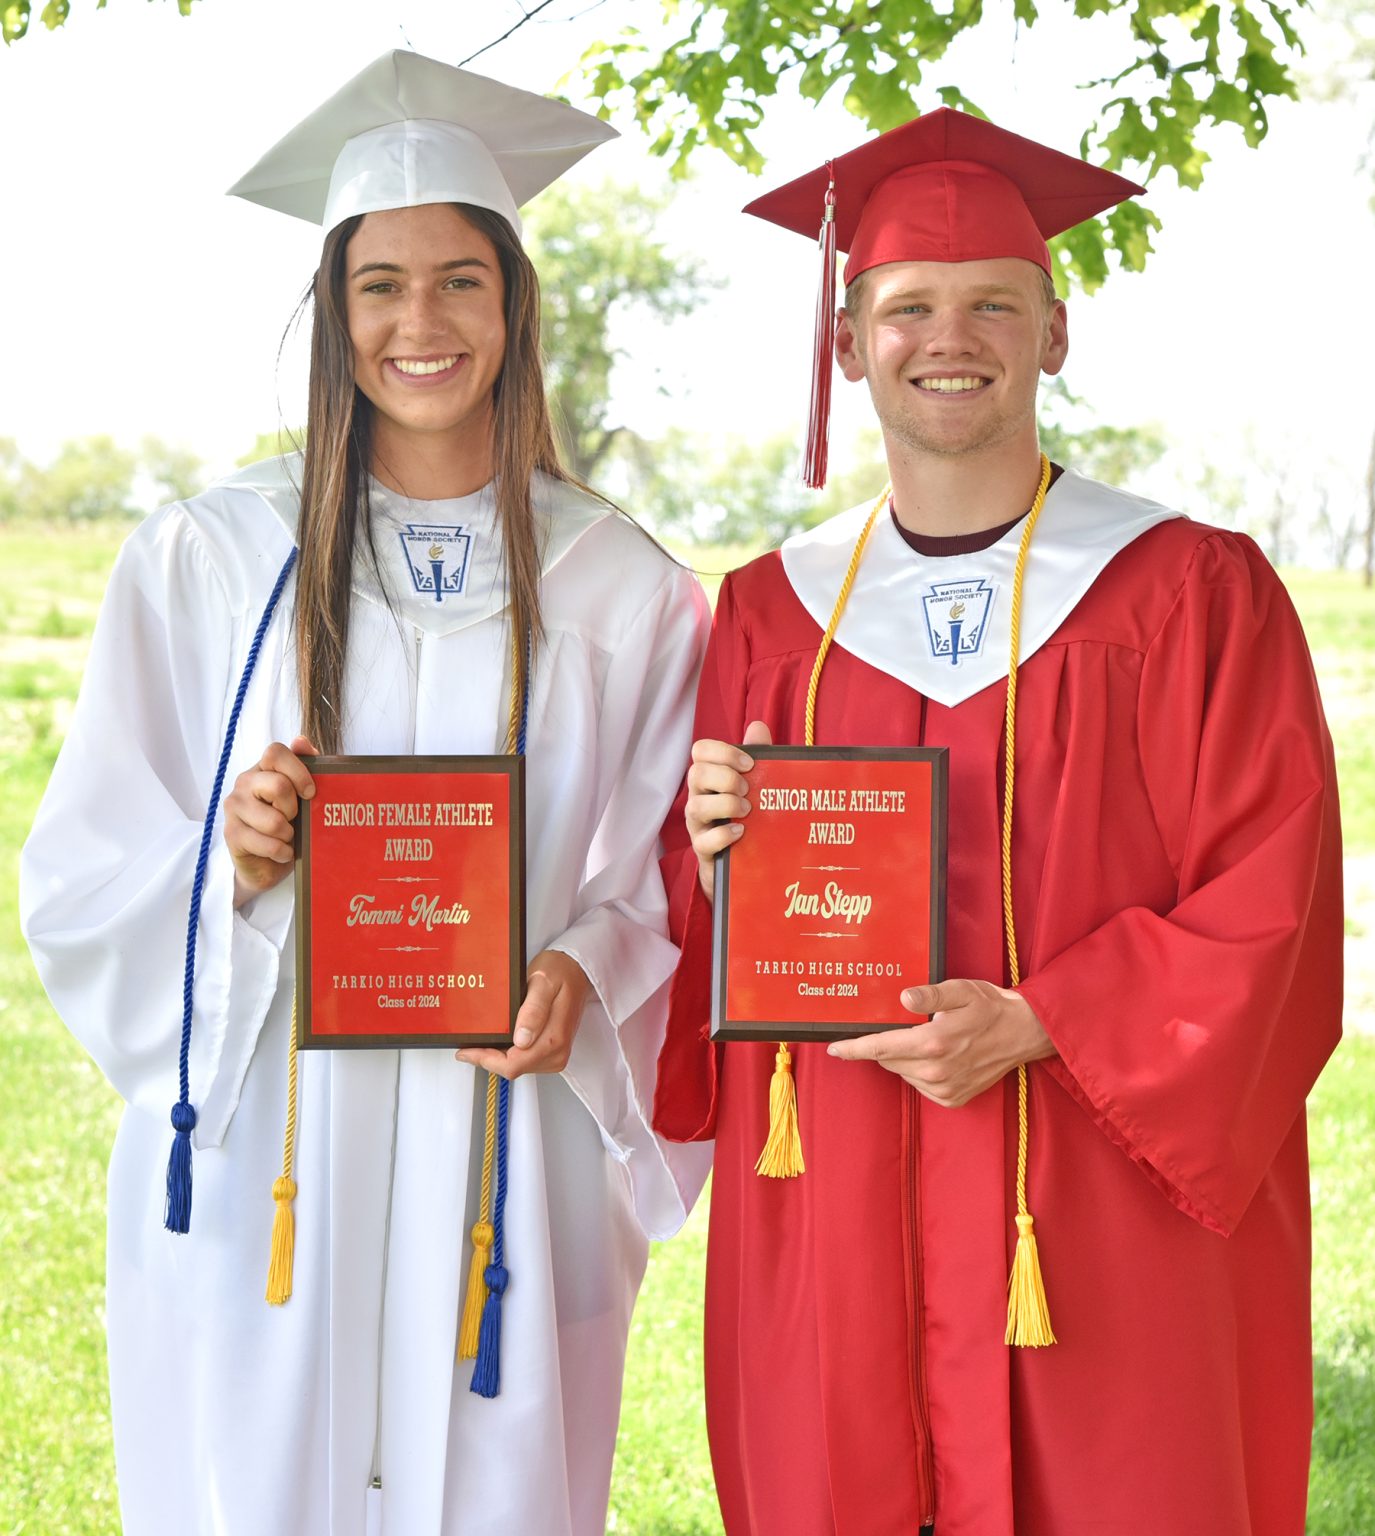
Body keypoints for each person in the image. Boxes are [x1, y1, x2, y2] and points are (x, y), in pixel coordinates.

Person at [20, 50, 711, 1536]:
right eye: (380, 284)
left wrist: (584, 971)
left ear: (515, 305)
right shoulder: (212, 554)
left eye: (462, 280)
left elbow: (659, 877)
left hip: (505, 1140)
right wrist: (232, 858)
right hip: (280, 1143)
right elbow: (87, 868)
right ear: (334, 312)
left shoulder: (621, 584)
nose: (422, 322)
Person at [656, 108, 1342, 1536]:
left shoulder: (1190, 592)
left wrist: (1043, 1021)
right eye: (907, 306)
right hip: (848, 1186)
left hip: (1096, 1200)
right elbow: (706, 944)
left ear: (1056, 335)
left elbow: (1274, 905)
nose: (947, 338)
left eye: (993, 305)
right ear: (848, 345)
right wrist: (719, 860)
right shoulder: (772, 614)